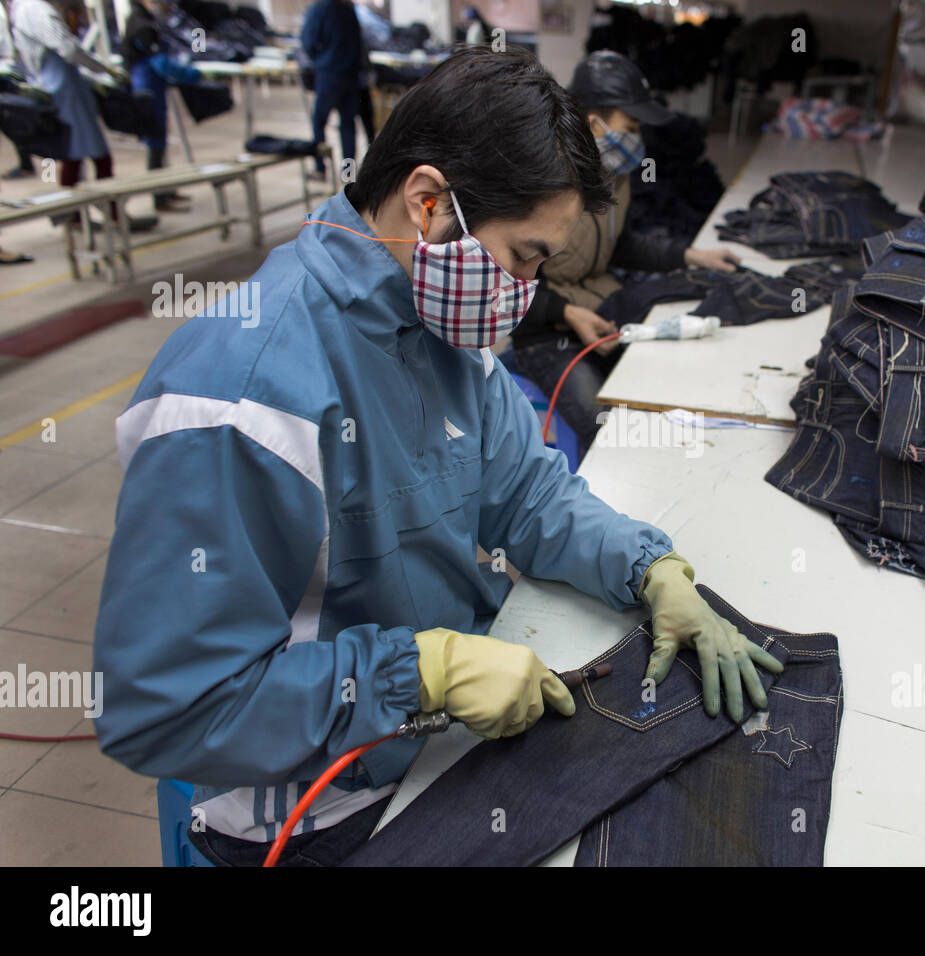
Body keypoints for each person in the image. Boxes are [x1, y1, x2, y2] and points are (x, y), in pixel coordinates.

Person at [92, 46, 781, 867]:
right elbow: (165, 707)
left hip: (436, 738)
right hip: (324, 801)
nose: (525, 290)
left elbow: (527, 497)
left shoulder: (441, 329)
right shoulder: (242, 397)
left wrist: (650, 570)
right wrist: (420, 673)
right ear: (428, 204)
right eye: (524, 256)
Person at [509, 50, 739, 456]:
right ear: (591, 122)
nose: (637, 139)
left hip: (603, 308)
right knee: (608, 434)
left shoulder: (614, 174)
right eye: (629, 127)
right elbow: (504, 282)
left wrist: (691, 256)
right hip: (546, 333)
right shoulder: (540, 182)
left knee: (665, 390)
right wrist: (566, 314)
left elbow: (621, 245)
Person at [11, 0, 152, 231]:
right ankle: (103, 215)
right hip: (65, 89)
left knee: (75, 156)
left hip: (64, 84)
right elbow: (68, 49)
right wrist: (101, 68)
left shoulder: (26, 8)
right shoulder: (35, 8)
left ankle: (82, 215)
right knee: (93, 156)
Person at [122, 0, 196, 212]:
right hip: (146, 91)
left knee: (160, 144)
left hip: (154, 88)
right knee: (155, 145)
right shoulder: (141, 24)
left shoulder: (147, 21)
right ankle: (159, 197)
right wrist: (190, 75)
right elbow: (160, 64)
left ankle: (166, 191)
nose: (166, 7)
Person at [300, 0, 361, 182]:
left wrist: (320, 60)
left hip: (329, 74)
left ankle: (320, 168)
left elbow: (308, 41)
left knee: (319, 122)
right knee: (348, 126)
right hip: (350, 74)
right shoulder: (348, 9)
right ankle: (348, 173)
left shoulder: (320, 9)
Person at [0, 0, 38, 178]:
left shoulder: (28, 7)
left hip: (8, 71)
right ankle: (27, 163)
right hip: (13, 69)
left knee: (14, 121)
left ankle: (30, 165)